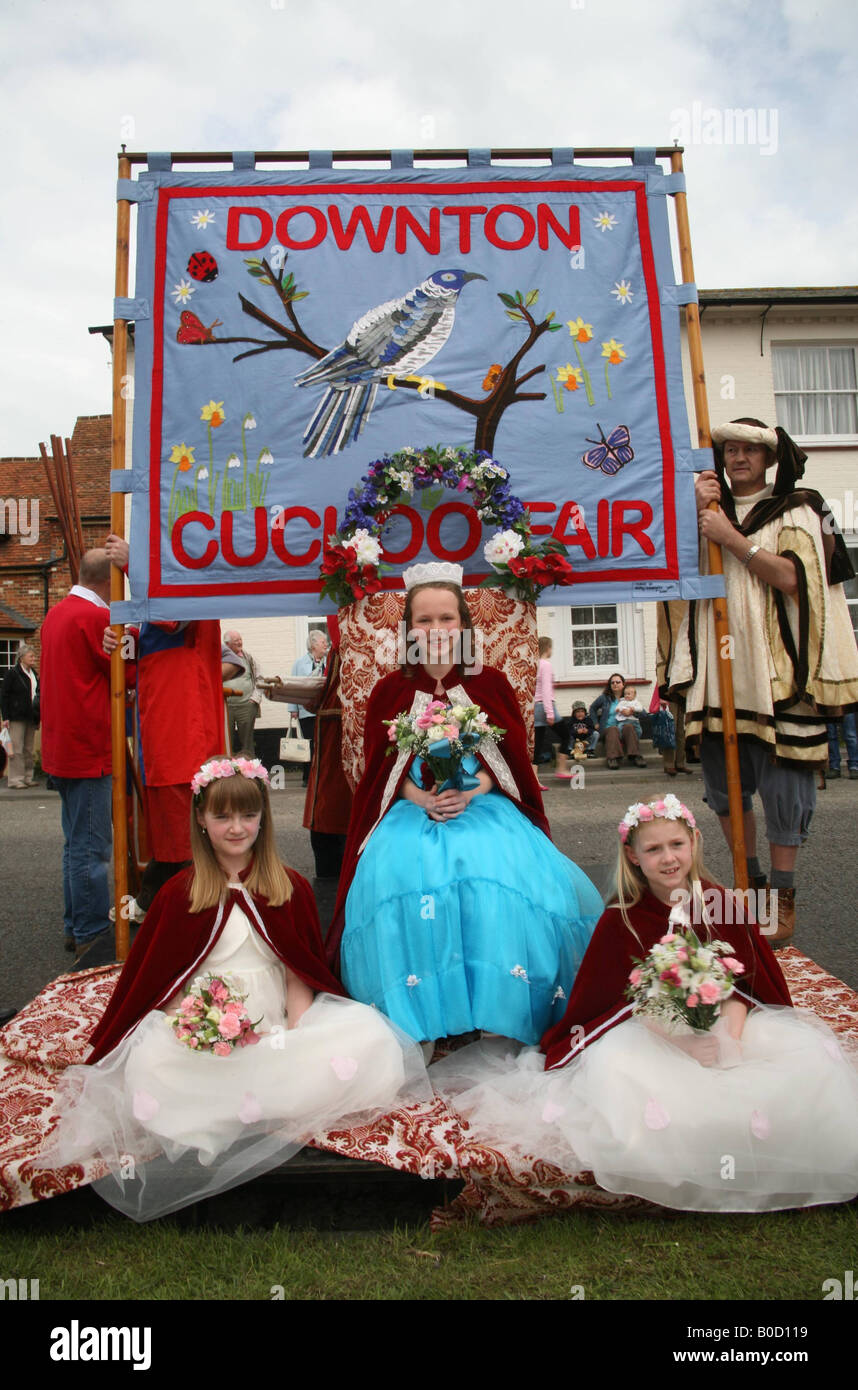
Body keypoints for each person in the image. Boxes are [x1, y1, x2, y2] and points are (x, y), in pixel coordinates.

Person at [41, 756, 429, 1221]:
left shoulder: (290, 887)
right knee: (151, 1062)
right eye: (222, 816)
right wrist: (192, 1027)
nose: (236, 827)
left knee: (368, 1037)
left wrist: (296, 1031)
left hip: (274, 1026)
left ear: (263, 819)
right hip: (201, 1032)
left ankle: (256, 1090)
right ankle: (252, 1095)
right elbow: (163, 983)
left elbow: (297, 976)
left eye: (248, 815)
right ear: (201, 820)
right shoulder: (179, 894)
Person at [433, 796, 858, 1214]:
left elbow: (748, 987)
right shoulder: (623, 918)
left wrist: (728, 1041)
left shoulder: (721, 904)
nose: (668, 858)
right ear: (633, 857)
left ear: (694, 842)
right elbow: (613, 1001)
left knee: (787, 1074)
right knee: (632, 1083)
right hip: (654, 1033)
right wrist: (684, 1044)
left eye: (676, 845)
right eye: (653, 849)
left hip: (726, 1024)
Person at [326, 563, 603, 1047]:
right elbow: (379, 774)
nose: (436, 631)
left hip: (482, 807)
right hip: (414, 811)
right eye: (424, 621)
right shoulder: (389, 691)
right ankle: (424, 1019)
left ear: (464, 626)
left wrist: (473, 791)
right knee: (401, 875)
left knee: (491, 875)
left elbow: (511, 764)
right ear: (408, 628)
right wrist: (421, 797)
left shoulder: (490, 684)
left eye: (447, 619)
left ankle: (493, 1011)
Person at [660, 418, 858, 945]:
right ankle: (751, 887)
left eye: (749, 450)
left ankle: (783, 898)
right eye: (729, 450)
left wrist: (731, 538)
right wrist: (694, 508)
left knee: (785, 788)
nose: (738, 457)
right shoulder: (704, 513)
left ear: (769, 459)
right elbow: (671, 566)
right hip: (718, 676)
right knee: (726, 789)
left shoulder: (796, 508)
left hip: (776, 675)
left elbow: (795, 580)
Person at [39, 551, 128, 958]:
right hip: (88, 748)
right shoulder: (94, 618)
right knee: (92, 847)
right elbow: (124, 671)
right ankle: (91, 932)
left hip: (61, 747)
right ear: (107, 582)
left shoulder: (56, 614)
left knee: (75, 843)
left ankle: (76, 924)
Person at [289, 631, 329, 787]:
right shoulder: (300, 663)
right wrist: (293, 708)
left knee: (324, 744)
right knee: (309, 744)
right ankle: (308, 777)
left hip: (325, 709)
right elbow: (293, 687)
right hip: (306, 711)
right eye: (322, 642)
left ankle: (323, 776)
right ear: (313, 645)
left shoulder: (329, 661)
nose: (326, 644)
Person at [533, 636, 572, 786]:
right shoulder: (546, 665)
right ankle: (561, 768)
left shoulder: (534, 664)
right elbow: (546, 690)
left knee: (538, 743)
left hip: (535, 707)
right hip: (545, 705)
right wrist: (549, 713)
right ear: (548, 648)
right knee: (566, 735)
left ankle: (535, 779)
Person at [588, 671, 646, 770]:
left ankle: (635, 755)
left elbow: (644, 713)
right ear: (610, 685)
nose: (615, 684)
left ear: (623, 684)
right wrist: (595, 723)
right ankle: (612, 758)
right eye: (612, 682)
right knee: (613, 729)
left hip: (625, 729)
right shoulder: (604, 698)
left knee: (628, 726)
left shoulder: (629, 697)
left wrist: (632, 712)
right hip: (608, 730)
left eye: (618, 682)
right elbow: (592, 708)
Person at [1, 642, 40, 788]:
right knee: (17, 748)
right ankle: (16, 779)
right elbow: (4, 695)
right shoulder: (12, 674)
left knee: (28, 749)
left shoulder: (33, 674)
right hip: (16, 716)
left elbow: (37, 694)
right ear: (21, 657)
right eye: (31, 656)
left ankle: (28, 777)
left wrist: (38, 716)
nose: (33, 658)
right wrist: (5, 717)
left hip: (31, 716)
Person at [222, 629, 261, 756]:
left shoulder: (248, 658)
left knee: (247, 743)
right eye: (236, 641)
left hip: (246, 706)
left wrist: (254, 699)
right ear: (227, 645)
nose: (240, 642)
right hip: (226, 706)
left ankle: (251, 771)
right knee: (227, 742)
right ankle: (228, 772)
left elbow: (259, 679)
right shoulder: (220, 659)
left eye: (240, 639)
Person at [827, 712, 858, 780]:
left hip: (847, 703)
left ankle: (854, 766)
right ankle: (834, 766)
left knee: (850, 735)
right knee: (831, 735)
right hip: (828, 703)